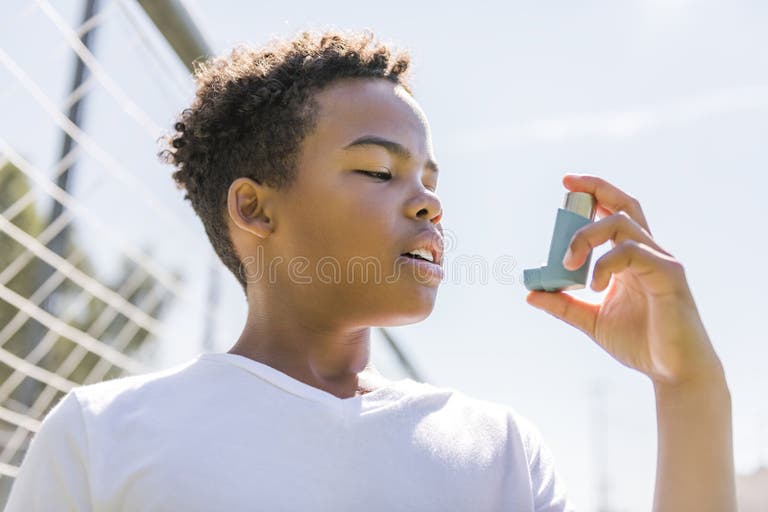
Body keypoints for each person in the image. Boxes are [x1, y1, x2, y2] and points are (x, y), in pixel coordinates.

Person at [5, 29, 735, 511]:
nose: (427, 204)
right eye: (379, 171)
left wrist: (688, 388)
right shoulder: (101, 438)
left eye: (431, 179)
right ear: (255, 210)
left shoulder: (496, 451)